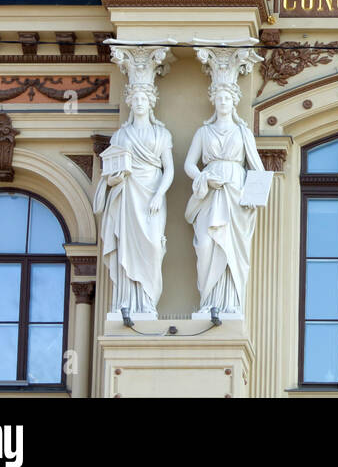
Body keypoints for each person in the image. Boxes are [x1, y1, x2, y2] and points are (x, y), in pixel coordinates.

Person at [184, 79, 265, 318]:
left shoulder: (243, 132)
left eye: (227, 98)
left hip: (235, 194)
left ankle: (229, 303)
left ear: (234, 102)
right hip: (210, 193)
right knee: (206, 245)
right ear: (213, 102)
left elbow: (257, 167)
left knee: (231, 249)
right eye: (218, 98)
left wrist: (253, 196)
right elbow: (189, 164)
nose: (222, 102)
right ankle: (209, 300)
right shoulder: (203, 132)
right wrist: (204, 179)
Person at [95, 81, 173, 316]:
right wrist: (113, 180)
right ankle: (128, 301)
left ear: (150, 103)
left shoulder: (161, 133)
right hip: (127, 194)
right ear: (130, 103)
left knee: (152, 246)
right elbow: (110, 172)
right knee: (125, 247)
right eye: (135, 99)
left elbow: (168, 169)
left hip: (152, 193)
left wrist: (159, 194)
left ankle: (147, 301)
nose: (139, 103)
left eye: (143, 99)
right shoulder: (121, 135)